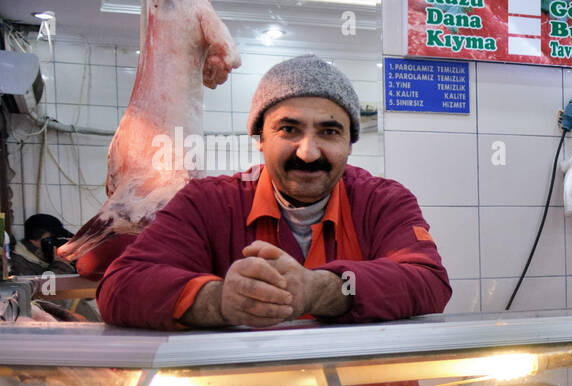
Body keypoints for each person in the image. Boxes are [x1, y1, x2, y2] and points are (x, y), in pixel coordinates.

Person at [97, 54, 451, 329]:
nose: (308, 152)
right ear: (261, 140)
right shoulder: (207, 202)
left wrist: (317, 289)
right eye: (289, 129)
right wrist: (219, 300)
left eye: (329, 132)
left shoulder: (382, 201)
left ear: (349, 144)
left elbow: (428, 283)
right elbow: (120, 287)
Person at [9, 214, 100, 320]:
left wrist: (79, 262)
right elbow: (46, 296)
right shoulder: (19, 262)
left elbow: (87, 293)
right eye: (49, 240)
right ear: (33, 241)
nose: (54, 245)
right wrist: (60, 266)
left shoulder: (46, 255)